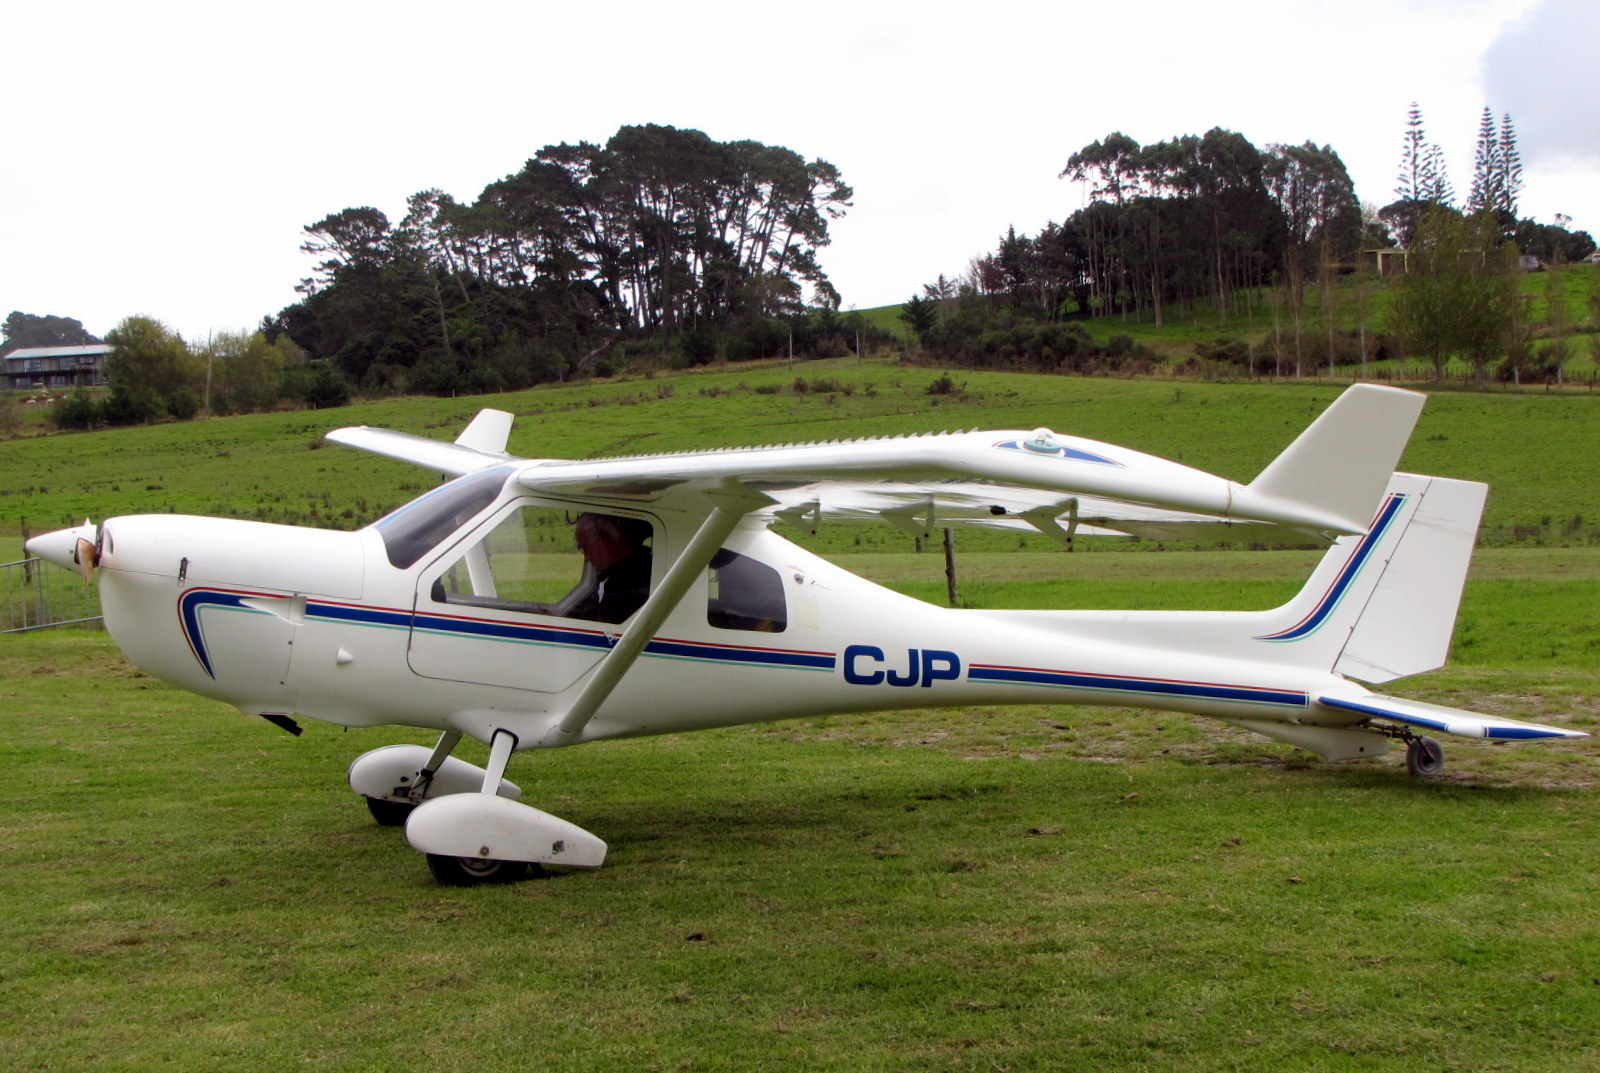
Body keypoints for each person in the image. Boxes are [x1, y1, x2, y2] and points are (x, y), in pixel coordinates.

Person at [566, 512, 652, 623]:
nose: (587, 558)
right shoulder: (611, 576)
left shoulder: (635, 578)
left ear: (602, 539)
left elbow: (608, 614)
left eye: (585, 548)